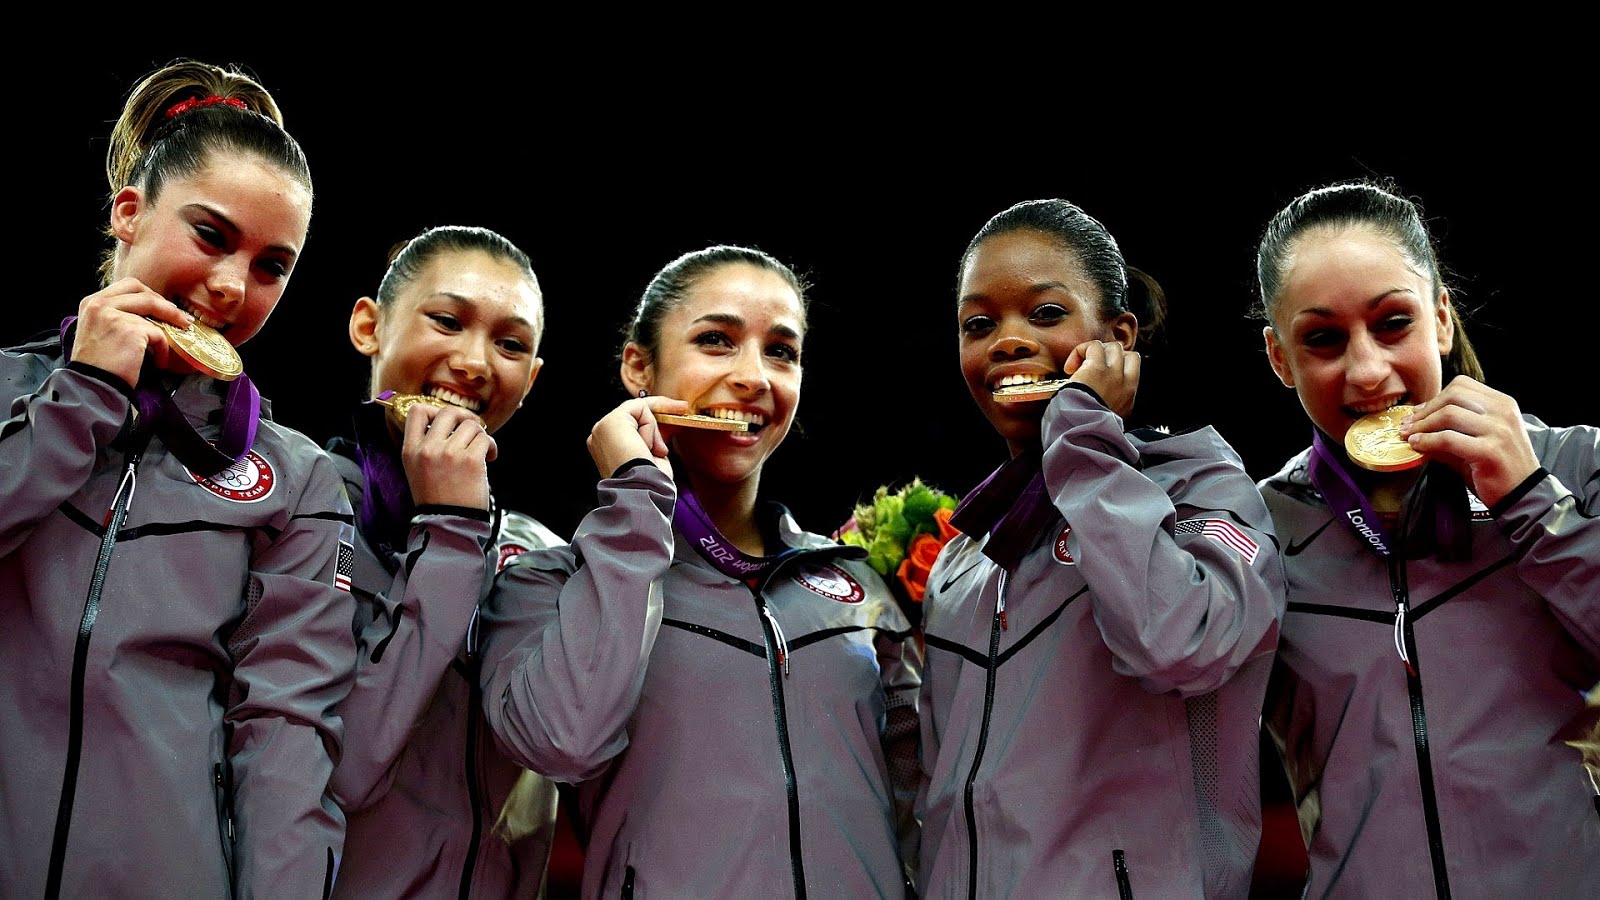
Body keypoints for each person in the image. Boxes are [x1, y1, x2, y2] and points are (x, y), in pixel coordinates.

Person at [0, 60, 352, 897]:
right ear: (129, 211)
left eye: (273, 266)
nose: (233, 286)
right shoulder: (8, 394)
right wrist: (78, 400)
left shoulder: (297, 480)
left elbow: (286, 736)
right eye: (211, 235)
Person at [479, 245, 922, 897]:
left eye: (781, 351)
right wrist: (635, 501)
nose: (754, 377)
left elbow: (926, 805)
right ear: (639, 367)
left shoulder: (860, 585)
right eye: (716, 341)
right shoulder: (553, 583)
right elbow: (561, 745)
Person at [917, 199, 1285, 898]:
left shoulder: (1200, 488)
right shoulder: (963, 556)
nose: (1007, 341)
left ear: (1118, 337)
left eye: (1046, 313)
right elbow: (939, 793)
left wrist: (1083, 429)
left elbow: (1178, 644)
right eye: (978, 324)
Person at [1255, 179, 1599, 898]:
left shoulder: (1576, 465)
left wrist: (1532, 502)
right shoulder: (1259, 531)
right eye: (1322, 339)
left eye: (1392, 323)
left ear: (1440, 319)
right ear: (1280, 359)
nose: (1368, 370)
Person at [325, 225, 565, 897]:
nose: (476, 362)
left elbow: (571, 750)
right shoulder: (294, 505)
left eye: (511, 343)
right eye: (448, 321)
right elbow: (343, 770)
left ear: (533, 378)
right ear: (369, 326)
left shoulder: (539, 557)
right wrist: (451, 529)